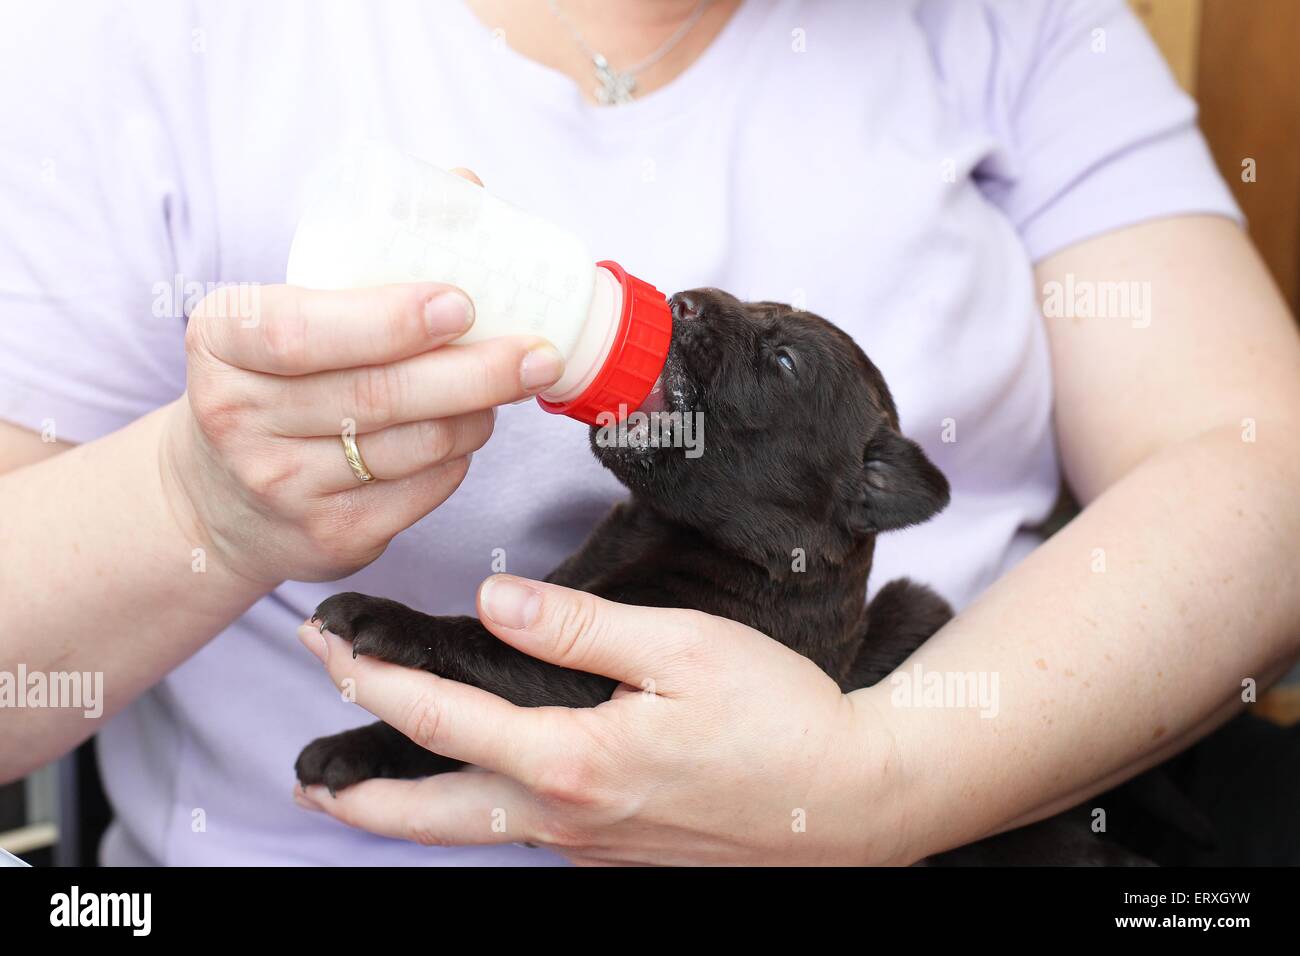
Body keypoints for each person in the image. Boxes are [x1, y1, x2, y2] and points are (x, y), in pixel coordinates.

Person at [1, 0, 1297, 867]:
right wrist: (195, 506)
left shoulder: (1004, 20)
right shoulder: (140, 36)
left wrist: (880, 784)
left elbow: (1262, 468)